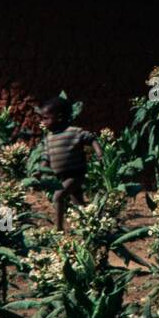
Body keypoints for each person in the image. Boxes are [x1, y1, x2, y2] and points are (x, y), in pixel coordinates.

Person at [37, 96, 102, 231]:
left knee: (58, 196)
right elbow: (46, 156)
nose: (42, 122)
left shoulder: (73, 132)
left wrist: (99, 153)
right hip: (61, 176)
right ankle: (91, 224)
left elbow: (90, 138)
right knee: (78, 203)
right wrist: (40, 169)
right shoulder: (49, 138)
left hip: (75, 174)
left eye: (45, 118)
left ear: (59, 118)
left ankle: (59, 228)